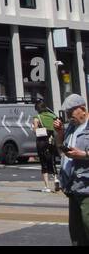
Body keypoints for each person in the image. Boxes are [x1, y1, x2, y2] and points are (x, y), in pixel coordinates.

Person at [54, 94, 89, 245]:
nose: (69, 116)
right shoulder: (71, 128)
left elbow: (80, 154)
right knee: (76, 234)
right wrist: (60, 133)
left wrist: (83, 154)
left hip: (87, 189)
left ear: (82, 109)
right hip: (72, 187)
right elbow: (60, 150)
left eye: (71, 112)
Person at [33, 97, 58, 193]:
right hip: (51, 140)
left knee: (43, 163)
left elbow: (35, 130)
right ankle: (56, 179)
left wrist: (34, 128)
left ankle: (47, 187)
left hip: (41, 141)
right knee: (52, 159)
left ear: (38, 109)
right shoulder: (52, 116)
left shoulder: (37, 117)